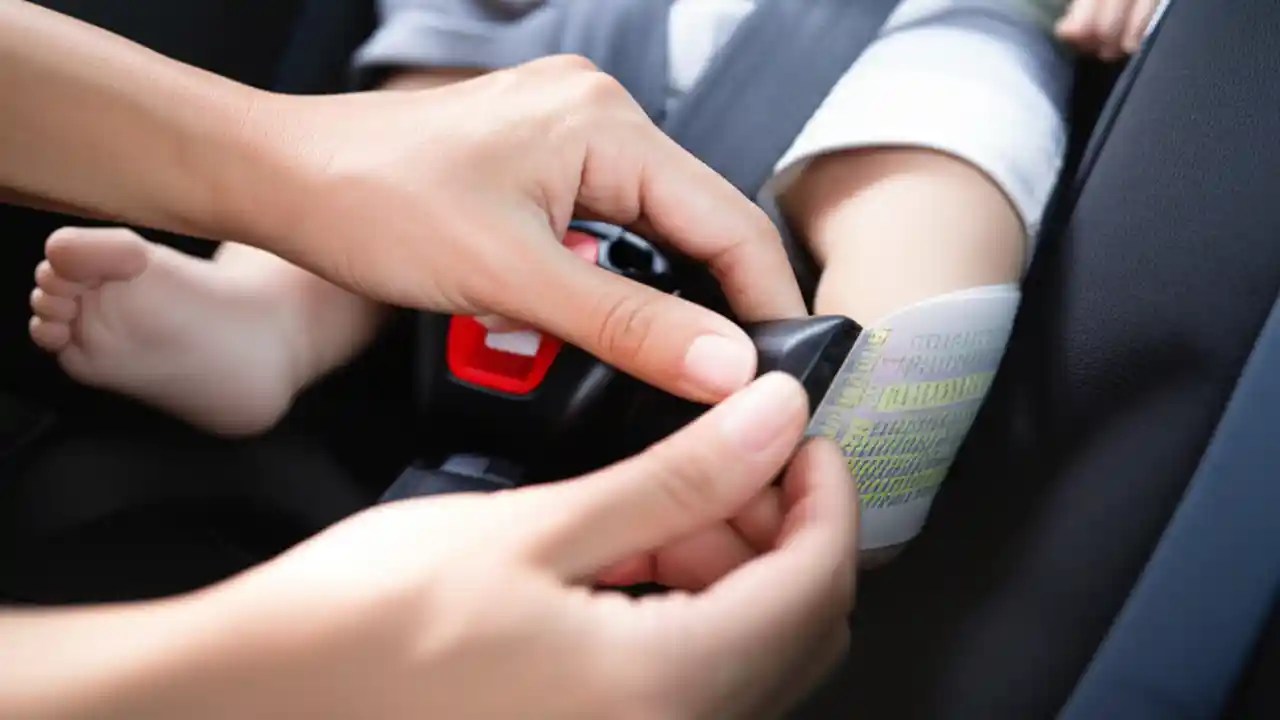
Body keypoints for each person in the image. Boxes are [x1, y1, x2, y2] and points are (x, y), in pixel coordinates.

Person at [22, 0, 1164, 564]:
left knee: (932, 152)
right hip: (565, 12)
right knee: (412, 108)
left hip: (907, 25)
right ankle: (268, 313)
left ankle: (865, 438)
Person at [1, 2, 855, 717]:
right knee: (438, 86)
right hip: (508, 81)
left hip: (678, 241)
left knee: (897, 177)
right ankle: (266, 319)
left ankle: (859, 433)